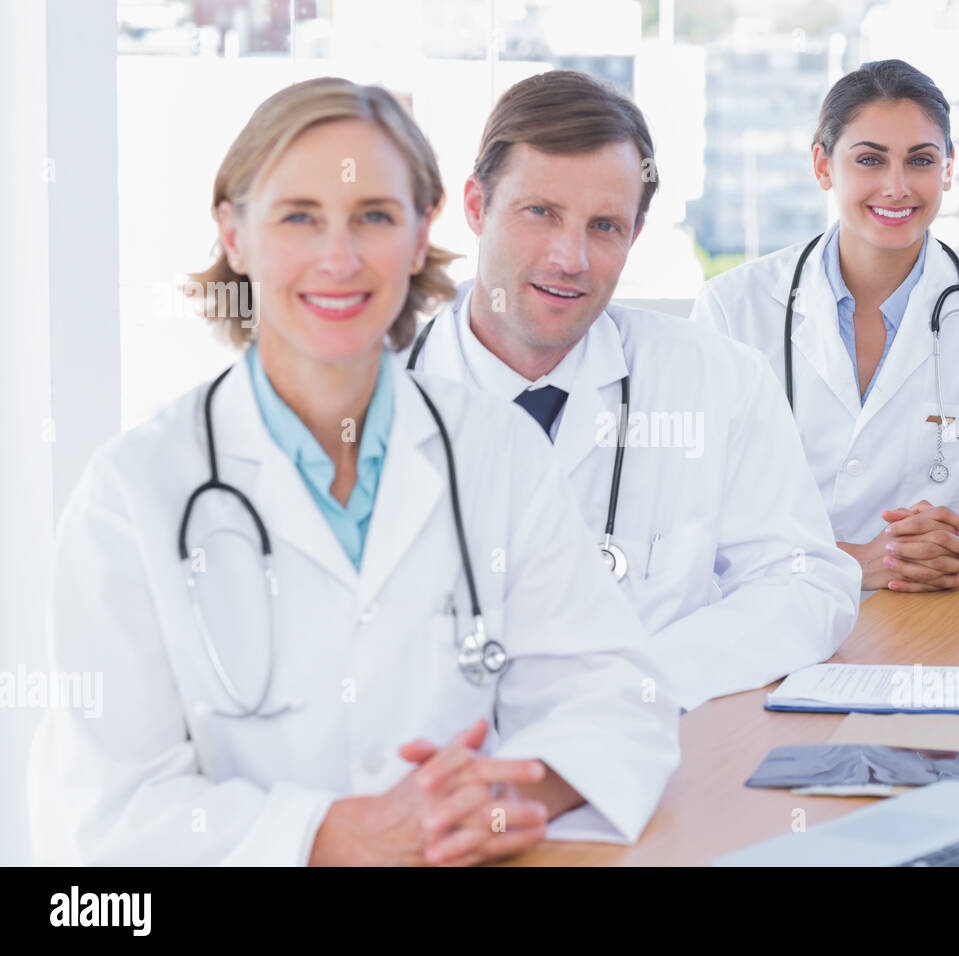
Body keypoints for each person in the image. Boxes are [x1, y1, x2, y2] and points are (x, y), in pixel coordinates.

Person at [28, 77, 678, 866]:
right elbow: (107, 810)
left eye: (374, 216)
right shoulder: (132, 494)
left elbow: (618, 697)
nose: (339, 258)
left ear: (420, 235)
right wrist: (331, 833)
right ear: (235, 234)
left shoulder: (496, 451)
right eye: (299, 217)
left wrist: (511, 796)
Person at [406, 71, 861, 711]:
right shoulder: (369, 395)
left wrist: (634, 685)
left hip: (648, 752)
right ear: (477, 206)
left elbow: (807, 584)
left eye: (604, 226)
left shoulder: (718, 380)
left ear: (634, 236)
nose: (571, 258)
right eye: (541, 212)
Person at [692, 59, 959, 593]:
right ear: (823, 166)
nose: (896, 186)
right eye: (870, 159)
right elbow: (702, 509)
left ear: (948, 169)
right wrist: (860, 563)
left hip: (933, 611)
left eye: (920, 160)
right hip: (772, 605)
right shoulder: (732, 308)